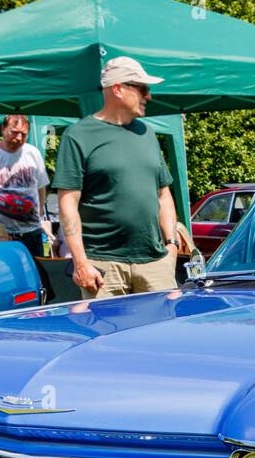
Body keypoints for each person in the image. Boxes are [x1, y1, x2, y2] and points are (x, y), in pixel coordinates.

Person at [53, 56, 179, 297]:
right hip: (102, 268)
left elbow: (164, 195)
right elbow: (67, 203)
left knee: (161, 334)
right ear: (118, 89)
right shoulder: (78, 135)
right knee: (106, 333)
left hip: (155, 264)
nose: (148, 96)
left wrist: (171, 245)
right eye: (143, 88)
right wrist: (81, 263)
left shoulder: (147, 133)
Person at [0, 113, 51, 256]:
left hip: (31, 231)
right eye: (14, 132)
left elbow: (41, 188)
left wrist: (39, 217)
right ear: (3, 129)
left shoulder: (33, 153)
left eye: (24, 134)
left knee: (35, 272)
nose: (19, 138)